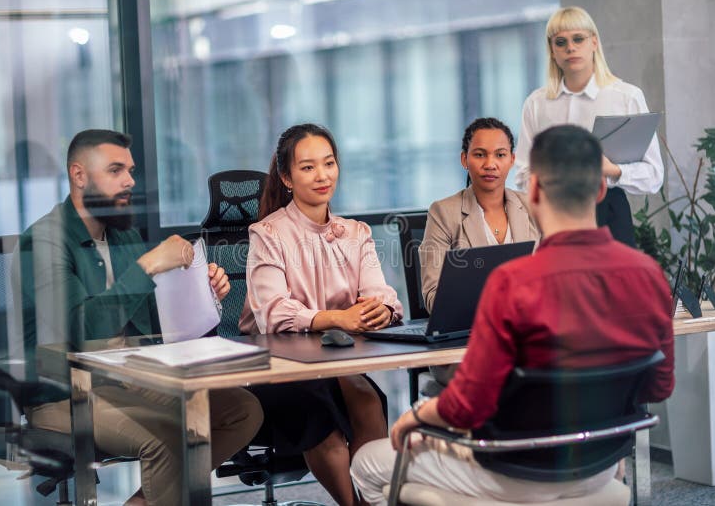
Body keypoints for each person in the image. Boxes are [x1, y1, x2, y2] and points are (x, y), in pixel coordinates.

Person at [350, 124, 675, 505]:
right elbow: (658, 387)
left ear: (533, 189)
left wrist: (418, 417)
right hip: (602, 463)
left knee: (367, 462)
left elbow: (469, 405)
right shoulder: (648, 274)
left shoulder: (513, 282)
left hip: (516, 468)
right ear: (601, 189)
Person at [15, 129, 263, 506]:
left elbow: (158, 322)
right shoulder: (44, 243)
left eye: (130, 170)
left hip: (130, 379)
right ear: (79, 175)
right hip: (64, 395)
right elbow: (82, 331)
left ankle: (144, 502)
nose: (130, 180)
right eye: (116, 170)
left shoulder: (122, 235)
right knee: (165, 438)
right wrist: (147, 266)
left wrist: (203, 293)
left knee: (242, 410)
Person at [239, 123, 404, 506]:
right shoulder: (267, 234)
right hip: (277, 370)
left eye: (329, 164)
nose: (322, 175)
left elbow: (383, 294)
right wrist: (335, 317)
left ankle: (373, 499)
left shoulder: (355, 233)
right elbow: (273, 314)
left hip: (334, 362)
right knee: (320, 411)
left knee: (366, 396)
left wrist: (380, 309)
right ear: (287, 177)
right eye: (308, 167)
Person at [514, 6, 664, 247]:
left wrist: (612, 170)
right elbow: (522, 173)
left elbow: (654, 176)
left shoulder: (626, 97)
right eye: (560, 42)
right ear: (552, 51)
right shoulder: (537, 103)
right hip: (555, 214)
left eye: (578, 39)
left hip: (611, 214)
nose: (570, 48)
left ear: (594, 42)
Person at [419, 117, 539, 314]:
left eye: (500, 155)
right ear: (464, 159)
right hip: (473, 330)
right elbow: (434, 299)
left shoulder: (533, 206)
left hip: (529, 324)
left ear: (512, 160)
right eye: (480, 155)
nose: (490, 164)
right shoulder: (443, 213)